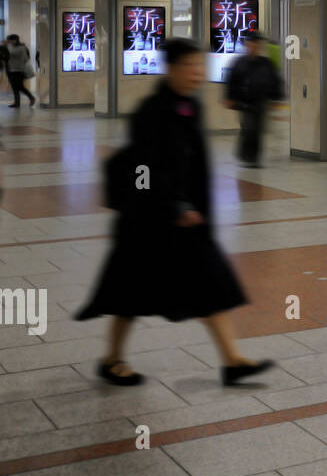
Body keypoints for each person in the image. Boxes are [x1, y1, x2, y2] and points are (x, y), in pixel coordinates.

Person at [76, 37, 273, 386]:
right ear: (170, 69)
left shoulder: (189, 105)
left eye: (200, 65)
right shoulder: (151, 111)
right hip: (148, 223)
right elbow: (142, 168)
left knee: (209, 284)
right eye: (190, 66)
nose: (198, 73)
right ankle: (111, 359)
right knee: (131, 293)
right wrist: (170, 206)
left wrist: (191, 207)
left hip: (187, 220)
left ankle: (232, 361)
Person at [224, 32, 283, 168]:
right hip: (245, 102)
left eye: (257, 45)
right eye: (252, 44)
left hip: (261, 101)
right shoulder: (240, 63)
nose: (254, 47)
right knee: (249, 127)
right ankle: (247, 155)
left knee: (258, 129)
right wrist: (229, 97)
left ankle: (253, 156)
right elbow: (232, 81)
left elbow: (275, 81)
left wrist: (276, 98)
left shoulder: (266, 64)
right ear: (247, 45)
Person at [3, 34, 36, 108]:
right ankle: (17, 103)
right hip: (10, 69)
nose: (10, 42)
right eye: (9, 40)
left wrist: (7, 46)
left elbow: (13, 53)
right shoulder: (10, 47)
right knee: (14, 87)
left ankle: (31, 97)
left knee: (20, 86)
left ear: (16, 40)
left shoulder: (21, 48)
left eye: (11, 40)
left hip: (19, 70)